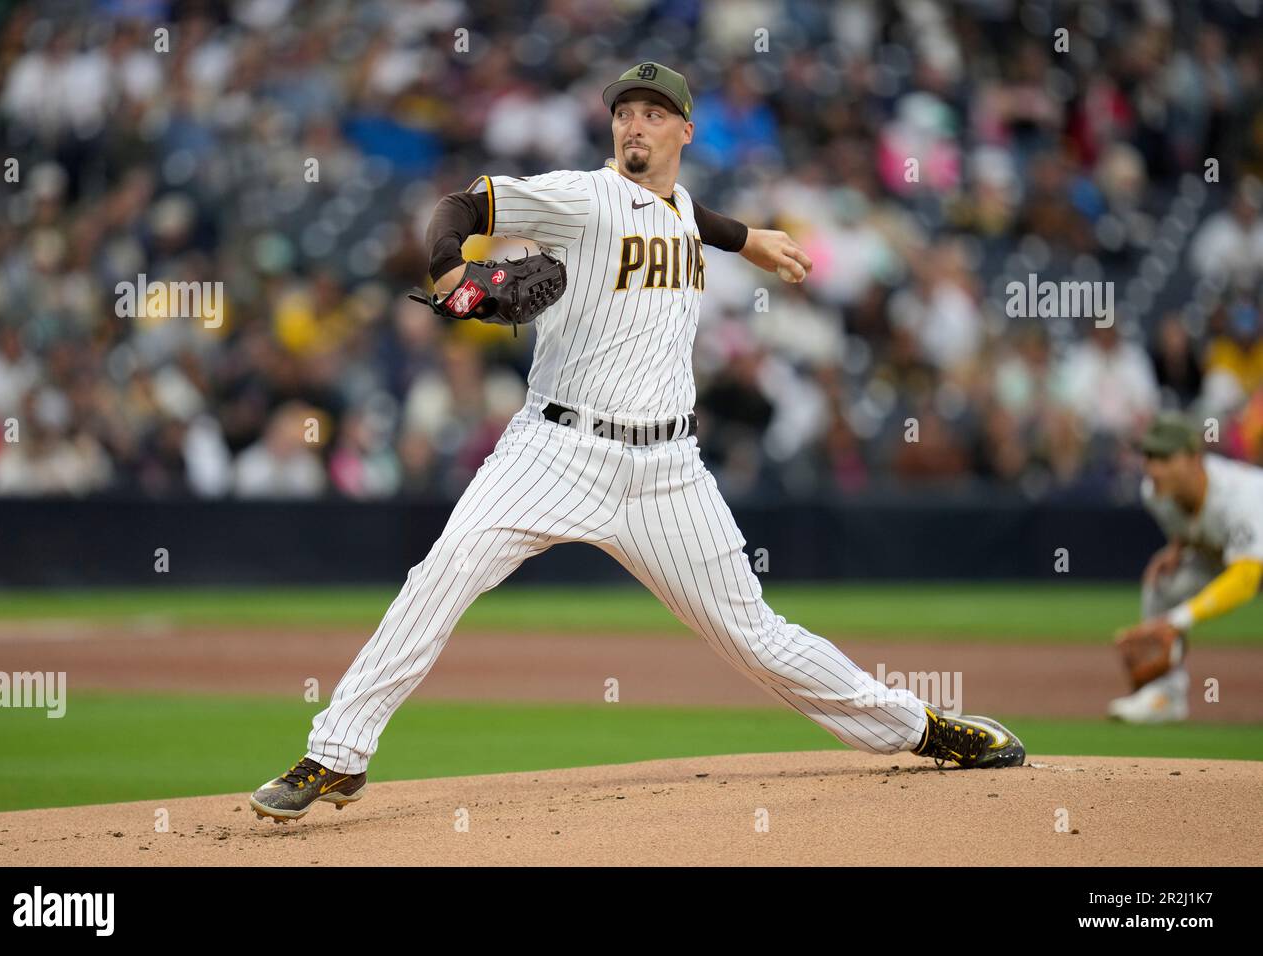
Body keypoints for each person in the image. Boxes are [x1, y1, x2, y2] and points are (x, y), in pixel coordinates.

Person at [249, 63, 1025, 822]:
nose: (635, 123)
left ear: (685, 130)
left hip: (667, 472)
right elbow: (465, 201)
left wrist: (746, 236)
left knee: (754, 636)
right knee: (440, 574)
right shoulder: (583, 196)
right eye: (625, 111)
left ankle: (920, 729)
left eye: (654, 113)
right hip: (553, 451)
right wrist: (450, 265)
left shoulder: (684, 210)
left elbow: (689, 218)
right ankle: (337, 754)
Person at [1111, 413, 1263, 722]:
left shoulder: (1240, 496)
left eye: (1164, 457)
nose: (1153, 467)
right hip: (1231, 555)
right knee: (1163, 583)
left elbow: (1246, 580)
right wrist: (1177, 548)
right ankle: (1164, 696)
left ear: (1195, 457)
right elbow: (1193, 526)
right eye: (1149, 456)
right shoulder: (1154, 493)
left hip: (1248, 563)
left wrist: (1178, 620)